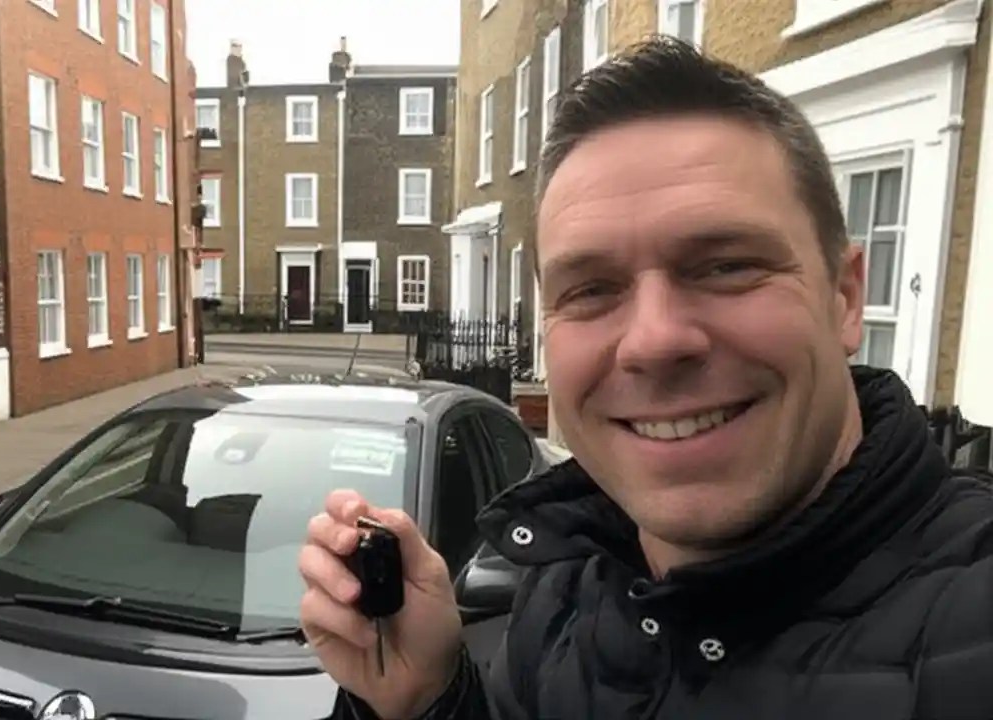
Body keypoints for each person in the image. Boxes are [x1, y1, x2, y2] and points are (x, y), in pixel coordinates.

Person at [297, 35, 993, 720]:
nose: (655, 341)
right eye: (591, 289)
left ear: (844, 297)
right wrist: (427, 700)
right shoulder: (561, 588)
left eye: (726, 266)